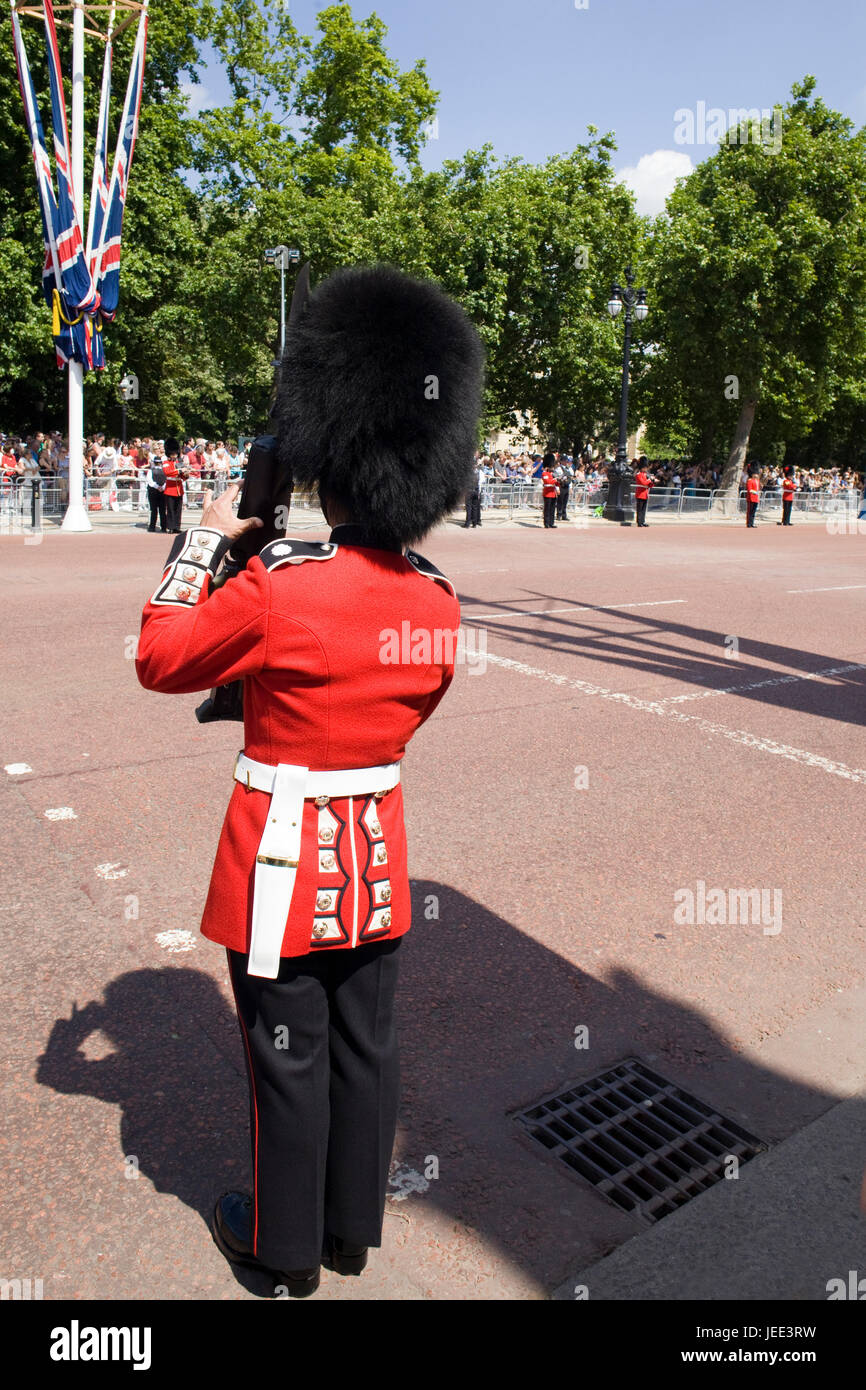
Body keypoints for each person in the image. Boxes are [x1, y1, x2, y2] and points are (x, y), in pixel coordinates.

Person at [135, 263, 484, 1299]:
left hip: (282, 864)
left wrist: (211, 538)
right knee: (363, 1051)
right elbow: (394, 705)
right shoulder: (437, 599)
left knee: (284, 1057)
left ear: (326, 461)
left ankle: (280, 1252)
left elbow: (161, 659)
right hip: (375, 861)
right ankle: (346, 1228)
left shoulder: (281, 588)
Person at [160, 438, 185, 533]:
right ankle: (170, 527)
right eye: (173, 454)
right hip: (170, 489)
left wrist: (185, 474)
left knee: (178, 510)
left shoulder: (179, 462)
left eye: (175, 454)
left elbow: (183, 477)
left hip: (179, 488)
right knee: (170, 509)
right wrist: (179, 471)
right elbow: (167, 473)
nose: (175, 456)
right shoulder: (166, 462)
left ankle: (176, 527)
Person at [634, 457, 654, 527]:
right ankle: (639, 522)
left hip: (645, 494)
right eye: (645, 467)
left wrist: (652, 481)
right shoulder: (638, 474)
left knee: (643, 509)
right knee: (639, 509)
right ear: (642, 467)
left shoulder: (645, 475)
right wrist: (649, 480)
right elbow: (643, 483)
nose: (646, 469)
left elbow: (650, 485)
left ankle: (642, 521)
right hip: (640, 494)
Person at [541, 452, 559, 527]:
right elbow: (548, 482)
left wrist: (559, 483)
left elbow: (556, 483)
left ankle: (551, 523)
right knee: (547, 509)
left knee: (552, 509)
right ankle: (546, 523)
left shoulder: (552, 473)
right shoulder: (544, 473)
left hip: (553, 493)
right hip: (547, 493)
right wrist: (556, 480)